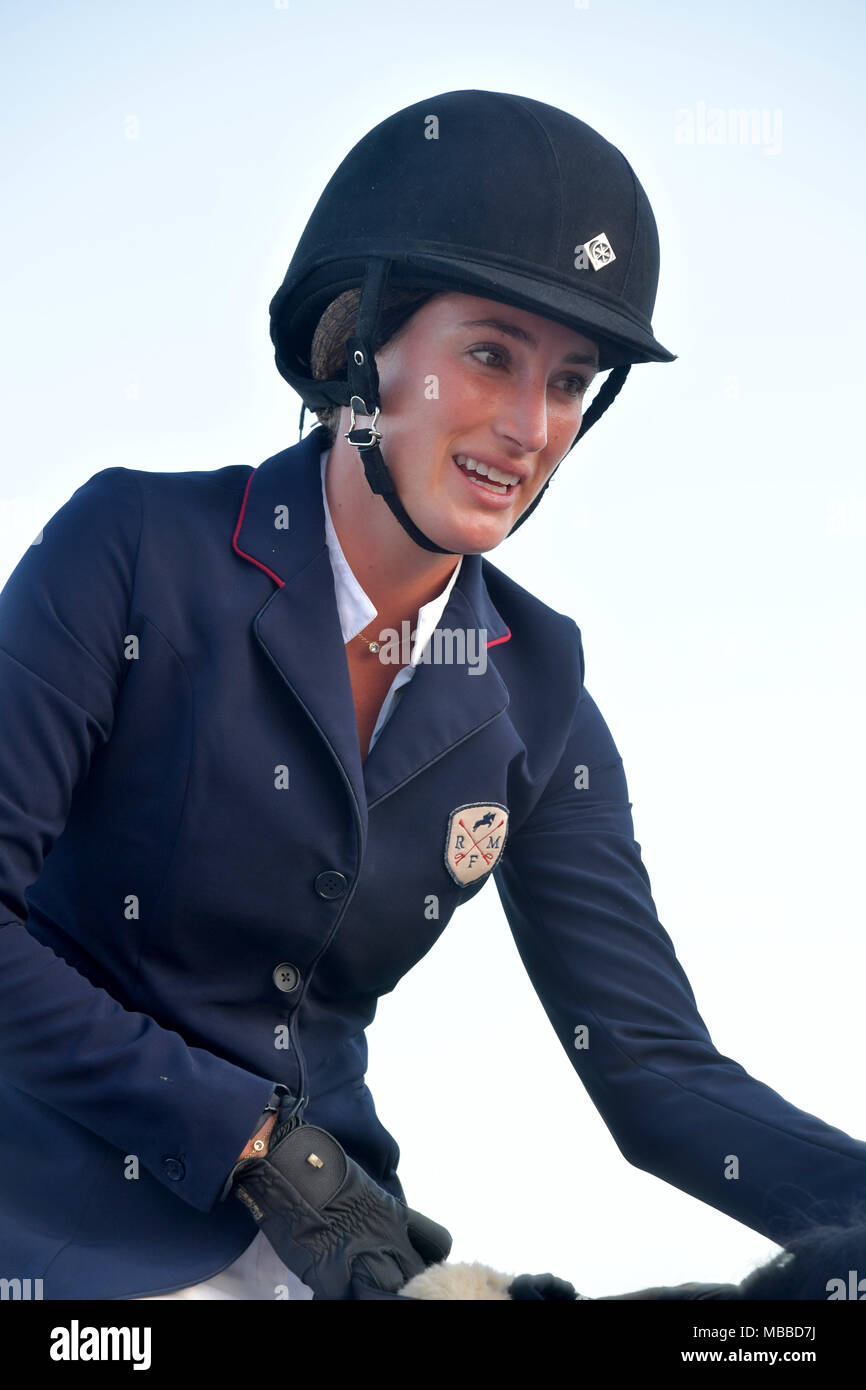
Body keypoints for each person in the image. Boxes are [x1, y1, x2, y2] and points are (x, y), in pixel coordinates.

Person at [1, 89, 864, 1302]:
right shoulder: (132, 552)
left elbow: (652, 1068)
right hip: (49, 1221)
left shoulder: (539, 687)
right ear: (360, 342)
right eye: (488, 355)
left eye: (569, 382)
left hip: (340, 1247)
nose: (525, 426)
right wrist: (252, 1140)